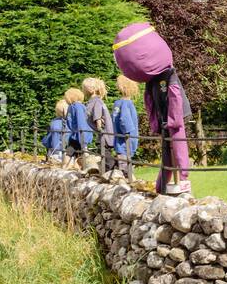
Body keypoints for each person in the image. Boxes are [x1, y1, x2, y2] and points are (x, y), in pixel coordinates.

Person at [112, 22, 192, 195]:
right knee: (167, 151)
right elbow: (150, 103)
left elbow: (175, 97)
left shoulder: (169, 74)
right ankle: (161, 187)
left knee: (178, 145)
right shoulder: (151, 81)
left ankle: (184, 179)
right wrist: (157, 122)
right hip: (165, 120)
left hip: (174, 118)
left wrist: (173, 119)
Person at [111, 74, 140, 181]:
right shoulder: (127, 104)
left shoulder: (117, 103)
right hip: (126, 141)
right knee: (126, 169)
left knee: (122, 164)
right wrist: (128, 132)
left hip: (119, 141)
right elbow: (125, 121)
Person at [82, 77, 114, 175]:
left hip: (104, 133)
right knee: (103, 152)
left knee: (104, 152)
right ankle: (108, 171)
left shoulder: (96, 101)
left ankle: (109, 172)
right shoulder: (94, 101)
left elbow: (98, 116)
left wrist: (100, 129)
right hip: (102, 134)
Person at [63, 87, 92, 164]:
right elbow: (81, 123)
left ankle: (67, 167)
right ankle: (66, 167)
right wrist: (84, 139)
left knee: (72, 154)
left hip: (73, 135)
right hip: (78, 136)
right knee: (73, 154)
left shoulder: (71, 107)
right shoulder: (78, 106)